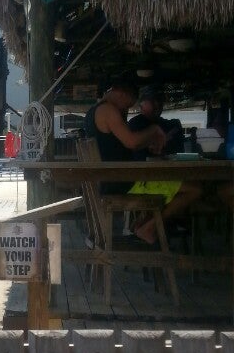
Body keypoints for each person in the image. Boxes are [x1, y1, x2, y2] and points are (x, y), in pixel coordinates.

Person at [84, 76, 201, 244]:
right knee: (195, 189)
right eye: (127, 105)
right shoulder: (108, 111)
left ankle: (143, 223)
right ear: (122, 93)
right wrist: (154, 130)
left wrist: (149, 140)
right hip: (123, 183)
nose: (125, 110)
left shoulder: (93, 112)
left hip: (113, 181)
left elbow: (126, 145)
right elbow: (131, 141)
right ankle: (149, 227)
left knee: (172, 187)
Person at [128, 85, 185, 156]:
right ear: (141, 105)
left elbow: (179, 154)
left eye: (160, 100)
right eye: (152, 100)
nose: (157, 104)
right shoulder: (135, 124)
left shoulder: (172, 125)